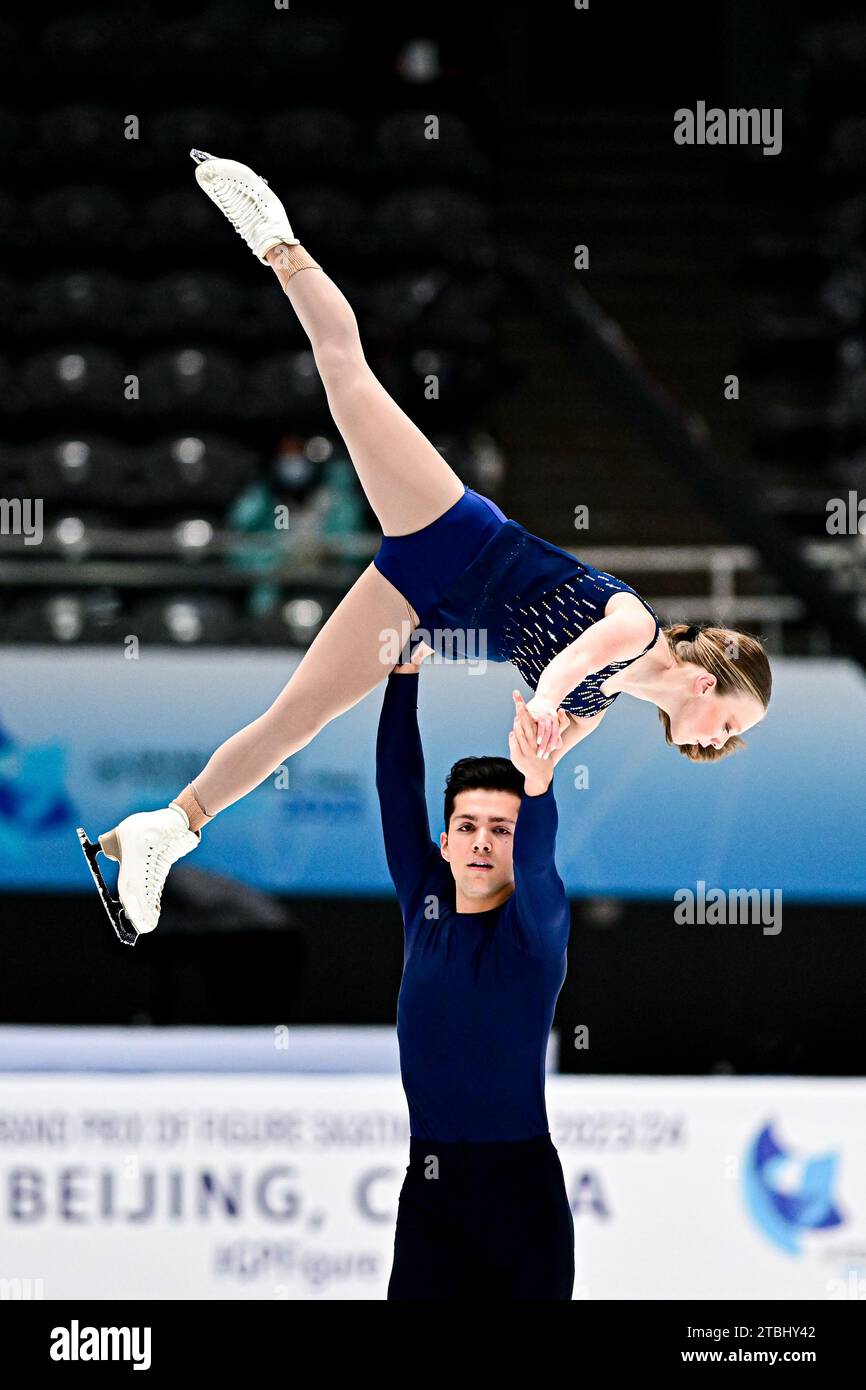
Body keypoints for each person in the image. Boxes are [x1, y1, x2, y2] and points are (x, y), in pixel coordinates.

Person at [80, 154, 772, 940]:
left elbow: (528, 771)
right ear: (710, 677)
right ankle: (276, 237)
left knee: (297, 719)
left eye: (732, 738)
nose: (725, 739)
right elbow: (572, 662)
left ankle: (165, 830)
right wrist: (544, 707)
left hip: (427, 605)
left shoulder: (600, 712)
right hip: (459, 538)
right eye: (733, 719)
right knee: (349, 378)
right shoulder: (636, 629)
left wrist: (531, 767)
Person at [378, 639, 574, 1299]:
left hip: (523, 1205)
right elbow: (398, 786)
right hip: (430, 1190)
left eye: (501, 827)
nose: (483, 841)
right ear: (445, 841)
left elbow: (542, 866)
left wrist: (539, 780)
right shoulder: (423, 903)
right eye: (467, 826)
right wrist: (404, 671)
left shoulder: (536, 929)